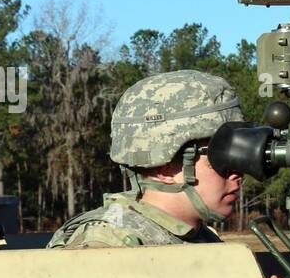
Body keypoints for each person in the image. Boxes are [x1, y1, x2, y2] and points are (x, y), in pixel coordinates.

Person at [47, 70, 245, 249]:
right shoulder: (109, 244)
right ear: (165, 167)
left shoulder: (200, 237)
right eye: (219, 157)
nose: (237, 173)